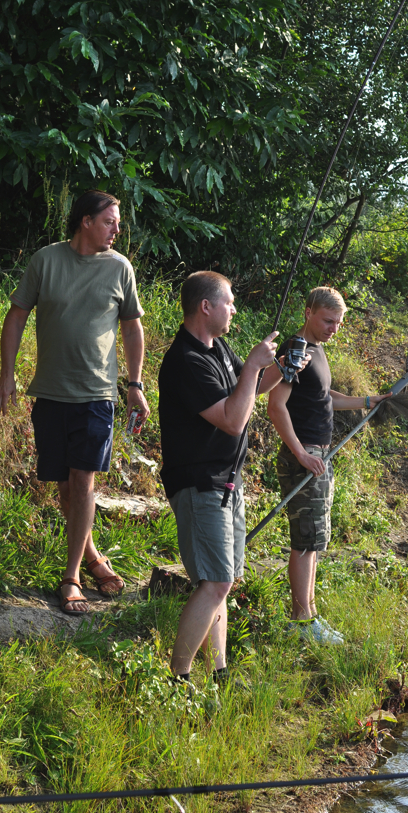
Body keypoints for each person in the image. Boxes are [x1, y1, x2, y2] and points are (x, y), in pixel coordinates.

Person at [0, 190, 149, 614]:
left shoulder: (120, 268)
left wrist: (134, 384)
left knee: (82, 483)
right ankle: (95, 556)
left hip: (96, 394)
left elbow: (133, 330)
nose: (118, 229)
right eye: (109, 221)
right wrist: (6, 375)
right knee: (65, 489)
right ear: (85, 221)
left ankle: (71, 577)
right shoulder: (46, 261)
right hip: (49, 392)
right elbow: (15, 316)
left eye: (117, 223)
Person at [158, 270, 284, 686]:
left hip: (228, 481)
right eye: (228, 302)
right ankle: (177, 679)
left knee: (223, 583)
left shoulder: (217, 348)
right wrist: (250, 366)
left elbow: (250, 390)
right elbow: (232, 419)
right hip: (200, 483)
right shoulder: (186, 361)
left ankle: (219, 673)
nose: (234, 309)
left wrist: (282, 366)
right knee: (215, 581)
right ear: (205, 307)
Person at [267, 287, 391, 644]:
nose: (333, 328)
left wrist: (367, 401)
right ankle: (301, 623)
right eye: (327, 320)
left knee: (316, 539)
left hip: (320, 455)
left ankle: (311, 616)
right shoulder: (296, 350)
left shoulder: (318, 350)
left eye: (338, 322)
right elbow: (276, 405)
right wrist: (301, 453)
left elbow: (324, 398)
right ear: (308, 313)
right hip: (304, 455)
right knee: (305, 541)